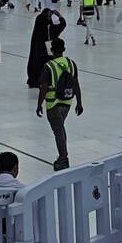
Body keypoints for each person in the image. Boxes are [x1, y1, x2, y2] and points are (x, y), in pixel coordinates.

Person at [36, 39, 83, 171]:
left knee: (58, 131)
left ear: (51, 50)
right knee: (60, 128)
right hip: (67, 102)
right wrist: (79, 102)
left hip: (53, 104)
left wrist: (39, 104)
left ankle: (63, 159)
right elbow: (76, 84)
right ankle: (63, 156)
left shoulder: (48, 66)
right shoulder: (71, 64)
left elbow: (44, 88)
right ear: (63, 49)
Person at [26, 7, 66, 88]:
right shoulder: (49, 27)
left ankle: (35, 80)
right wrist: (59, 16)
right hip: (48, 50)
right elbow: (62, 25)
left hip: (39, 52)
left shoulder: (38, 30)